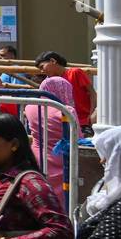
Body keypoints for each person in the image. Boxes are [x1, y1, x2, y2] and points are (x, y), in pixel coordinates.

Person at [26, 75, 77, 206]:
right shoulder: (66, 111)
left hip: (36, 156)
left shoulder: (30, 107)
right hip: (61, 159)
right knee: (62, 199)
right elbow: (78, 137)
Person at [36, 51, 94, 136]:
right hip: (62, 121)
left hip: (84, 121)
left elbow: (92, 93)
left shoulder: (75, 72)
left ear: (53, 61)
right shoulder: (49, 81)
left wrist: (91, 114)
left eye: (42, 67)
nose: (41, 71)